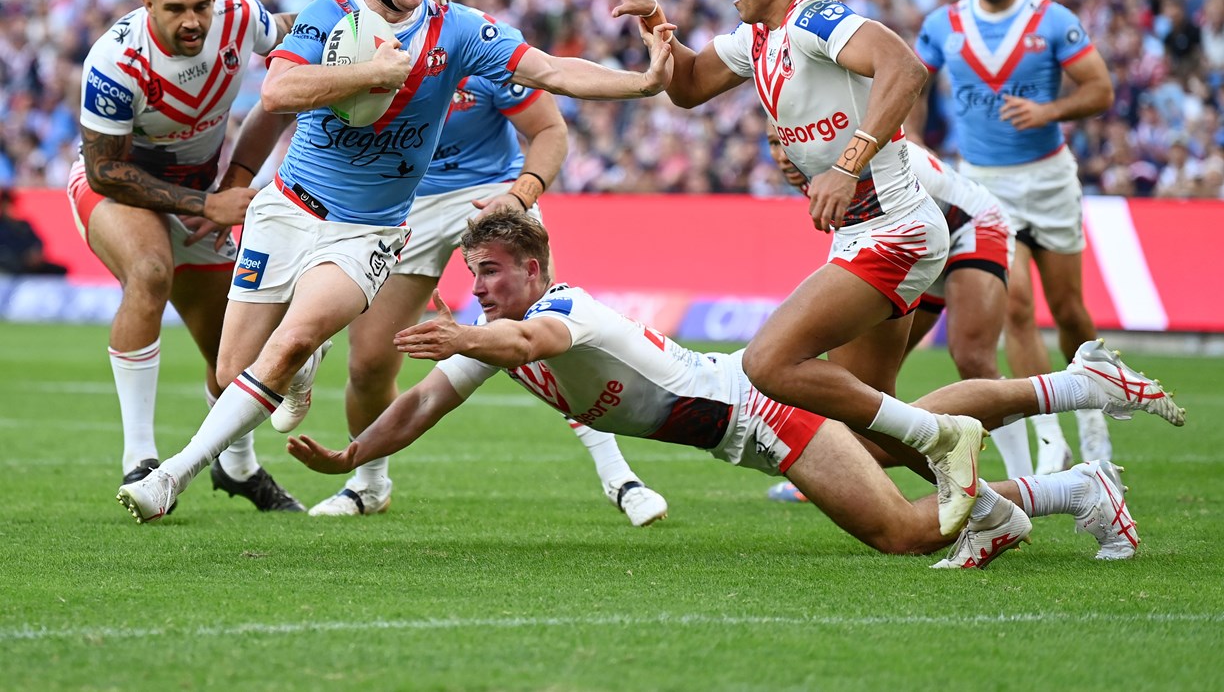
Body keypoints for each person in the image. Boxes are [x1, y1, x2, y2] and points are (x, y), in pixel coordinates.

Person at [116, 0, 674, 524]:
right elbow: (276, 89)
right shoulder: (327, 15)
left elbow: (554, 75)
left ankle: (170, 476)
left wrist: (641, 84)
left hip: (378, 226)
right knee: (236, 370)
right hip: (290, 210)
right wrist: (367, 74)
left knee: (306, 333)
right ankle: (323, 415)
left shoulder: (460, 30)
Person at [286, 211, 1183, 568]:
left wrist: (466, 330)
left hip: (762, 410)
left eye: (487, 272)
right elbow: (424, 401)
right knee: (898, 439)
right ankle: (1063, 432)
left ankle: (1066, 467)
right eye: (471, 275)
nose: (477, 286)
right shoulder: (501, 337)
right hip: (739, 426)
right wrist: (355, 454)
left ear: (531, 268)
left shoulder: (565, 310)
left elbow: (532, 336)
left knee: (903, 529)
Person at [585, 0, 984, 538]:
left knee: (769, 364)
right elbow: (687, 87)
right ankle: (1051, 494)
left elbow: (905, 68)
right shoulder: (757, 39)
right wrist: (653, 20)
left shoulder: (811, 17)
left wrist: (848, 164)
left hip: (895, 229)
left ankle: (947, 438)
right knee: (865, 422)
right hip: (865, 235)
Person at [312, 0, 667, 523]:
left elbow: (550, 131)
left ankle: (619, 478)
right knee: (370, 361)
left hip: (493, 193)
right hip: (409, 202)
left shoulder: (478, 45)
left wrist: (520, 195)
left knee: (538, 339)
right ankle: (369, 482)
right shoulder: (363, 53)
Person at [72, 0, 304, 512]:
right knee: (150, 273)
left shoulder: (240, 16)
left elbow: (295, 34)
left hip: (203, 195)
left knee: (237, 351)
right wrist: (208, 202)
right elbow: (106, 170)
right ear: (148, 3)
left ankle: (237, 466)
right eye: (176, 9)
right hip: (120, 189)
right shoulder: (115, 61)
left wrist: (351, 20)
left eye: (202, 4)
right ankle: (141, 459)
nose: (193, 21)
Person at [913, 0, 1117, 473]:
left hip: (1048, 178)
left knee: (1071, 312)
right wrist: (911, 138)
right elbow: (913, 80)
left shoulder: (1052, 21)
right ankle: (1052, 440)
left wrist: (1048, 111)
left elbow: (1100, 89)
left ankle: (1092, 411)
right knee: (1018, 307)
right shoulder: (945, 24)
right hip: (983, 184)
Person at [761, 129, 1034, 497]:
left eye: (785, 141)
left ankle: (1025, 477)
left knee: (972, 356)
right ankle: (854, 475)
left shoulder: (857, 157)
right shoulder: (817, 162)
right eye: (773, 143)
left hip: (972, 226)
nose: (780, 154)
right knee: (862, 385)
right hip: (914, 240)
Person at [0, 188, 67, 275]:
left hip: (33, 263)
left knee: (59, 270)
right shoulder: (2, 226)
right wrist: (23, 257)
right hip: (14, 264)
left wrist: (35, 254)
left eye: (12, 204)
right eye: (7, 205)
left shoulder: (24, 224)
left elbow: (38, 241)